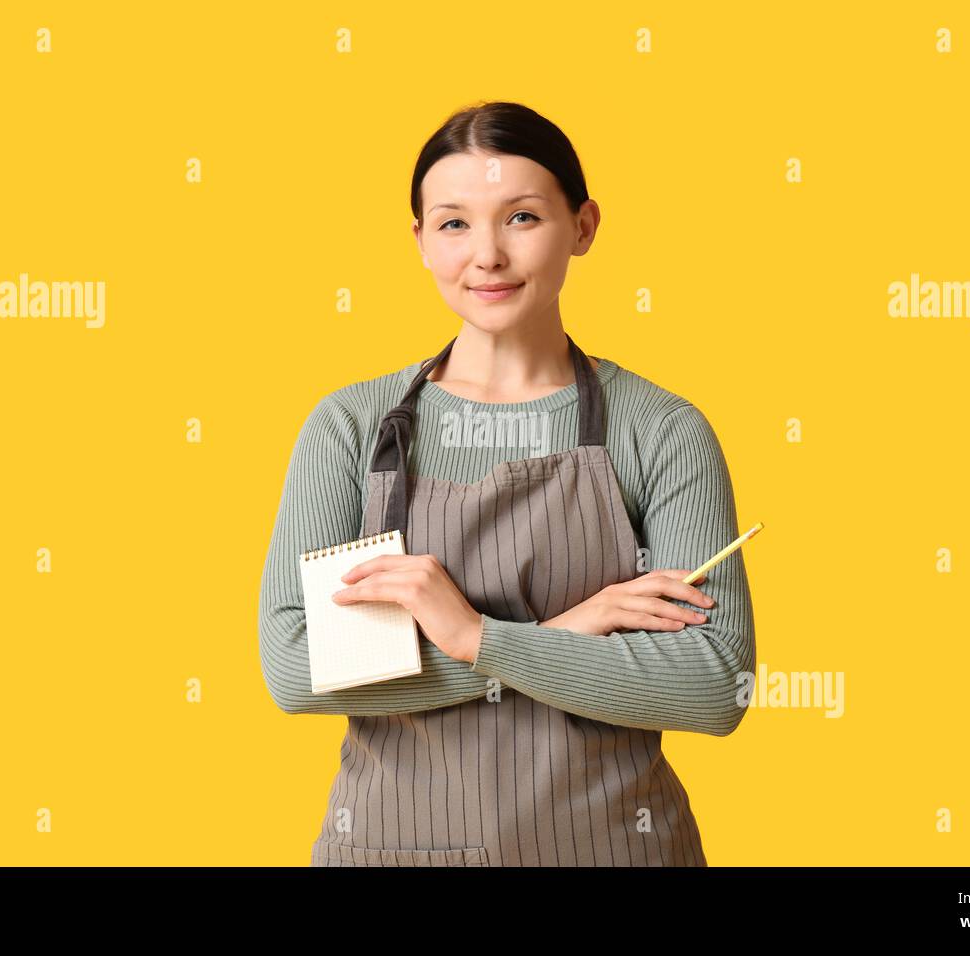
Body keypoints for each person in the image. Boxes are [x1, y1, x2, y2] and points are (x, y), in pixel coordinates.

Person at [258, 101, 755, 866]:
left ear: (583, 227)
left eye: (522, 217)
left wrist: (474, 636)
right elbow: (296, 667)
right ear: (420, 242)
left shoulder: (660, 430)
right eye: (454, 224)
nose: (486, 255)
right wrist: (560, 633)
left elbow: (715, 685)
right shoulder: (350, 427)